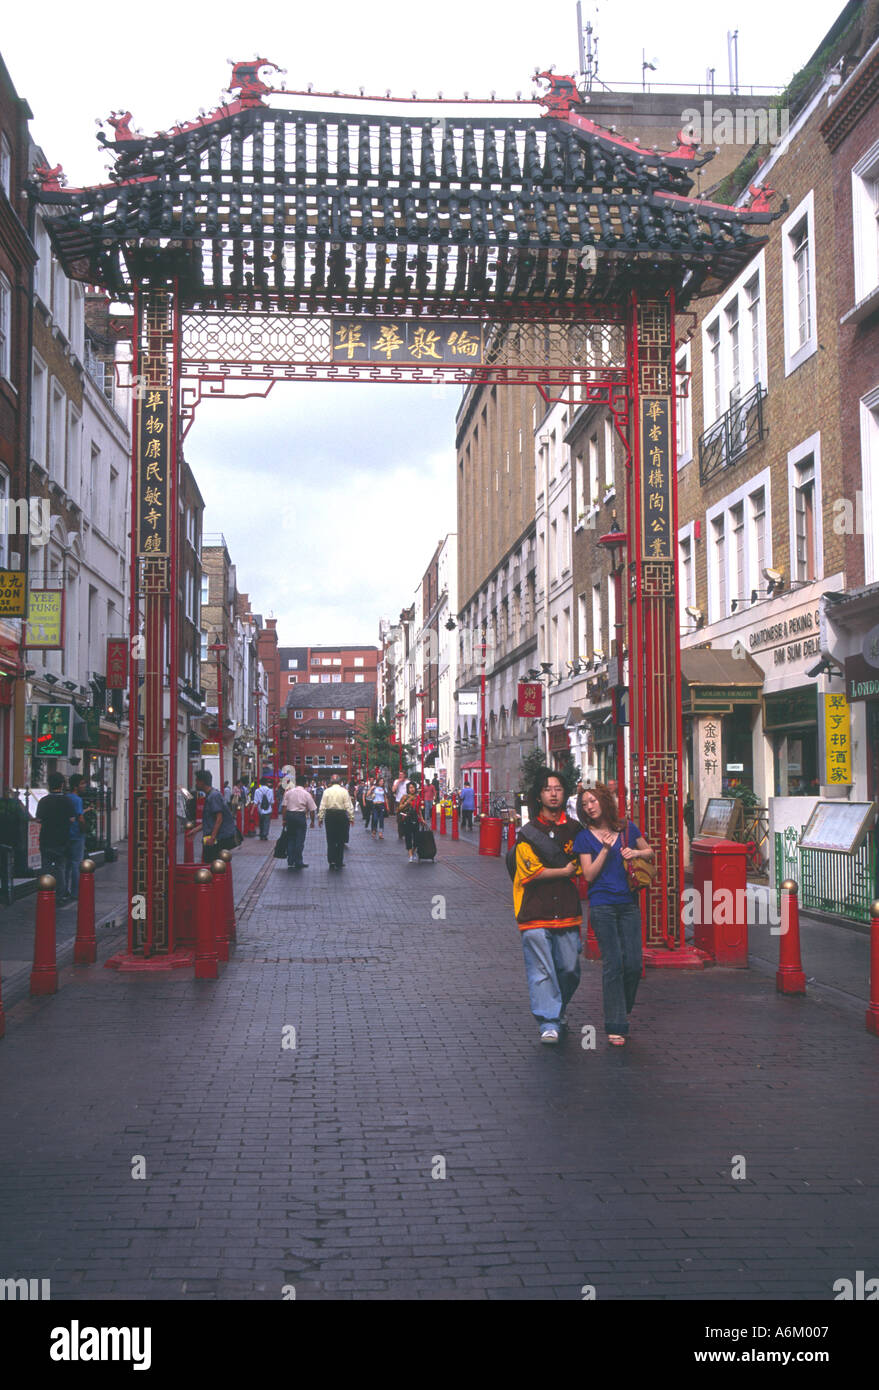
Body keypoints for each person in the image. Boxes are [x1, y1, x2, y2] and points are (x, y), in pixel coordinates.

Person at [575, 783, 654, 1047]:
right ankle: (615, 1024)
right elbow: (588, 875)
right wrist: (606, 850)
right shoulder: (584, 837)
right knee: (614, 964)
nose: (590, 806)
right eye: (585, 803)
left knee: (633, 963)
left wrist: (635, 851)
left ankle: (622, 1008)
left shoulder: (627, 829)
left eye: (593, 800)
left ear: (604, 801)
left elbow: (650, 852)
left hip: (628, 903)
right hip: (602, 905)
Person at [511, 770, 583, 1044]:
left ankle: (559, 1006)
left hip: (567, 911)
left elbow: (582, 863)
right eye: (547, 789)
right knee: (541, 970)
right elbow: (530, 873)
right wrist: (565, 871)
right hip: (534, 911)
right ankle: (548, 1020)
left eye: (558, 788)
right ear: (539, 795)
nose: (553, 793)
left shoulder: (575, 830)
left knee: (569, 968)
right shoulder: (528, 834)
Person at [35, 773, 77, 891]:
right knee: (60, 868)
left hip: (46, 839)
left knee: (46, 868)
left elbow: (38, 819)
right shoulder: (67, 801)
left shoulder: (43, 801)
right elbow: (72, 819)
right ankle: (60, 894)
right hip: (62, 839)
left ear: (49, 785)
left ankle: (45, 891)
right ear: (62, 784)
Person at [196, 769, 238, 863]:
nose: (196, 783)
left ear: (202, 782)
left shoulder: (213, 796)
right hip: (215, 837)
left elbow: (219, 818)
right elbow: (208, 821)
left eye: (197, 781)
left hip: (219, 838)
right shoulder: (210, 795)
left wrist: (212, 837)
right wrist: (193, 831)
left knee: (213, 864)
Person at [318, 773, 355, 870]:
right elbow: (348, 805)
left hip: (330, 816)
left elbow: (322, 805)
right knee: (340, 840)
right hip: (341, 816)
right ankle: (339, 861)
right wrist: (351, 818)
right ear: (340, 782)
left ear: (330, 782)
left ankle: (331, 861)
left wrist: (320, 818)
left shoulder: (326, 791)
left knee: (330, 839)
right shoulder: (344, 791)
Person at [280, 779, 317, 870]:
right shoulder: (307, 794)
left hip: (290, 816)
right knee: (299, 840)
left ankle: (290, 861)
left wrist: (284, 819)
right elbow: (312, 810)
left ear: (296, 783)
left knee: (291, 838)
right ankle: (298, 861)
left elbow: (284, 807)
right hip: (300, 816)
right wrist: (312, 821)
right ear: (305, 783)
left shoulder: (288, 793)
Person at [65, 773, 87, 899]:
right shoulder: (77, 800)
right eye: (82, 783)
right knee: (76, 863)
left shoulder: (66, 798)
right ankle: (75, 892)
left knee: (66, 864)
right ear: (75, 786)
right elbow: (80, 817)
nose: (84, 786)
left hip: (66, 834)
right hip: (77, 834)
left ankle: (64, 890)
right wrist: (84, 828)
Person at [396, 782, 422, 863]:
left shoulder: (418, 797)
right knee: (408, 837)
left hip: (415, 818)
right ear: (408, 789)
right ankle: (410, 855)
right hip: (407, 818)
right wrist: (407, 802)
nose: (412, 789)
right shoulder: (405, 797)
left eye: (413, 787)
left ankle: (413, 850)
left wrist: (422, 819)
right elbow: (398, 809)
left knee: (417, 838)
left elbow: (419, 810)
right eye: (410, 787)